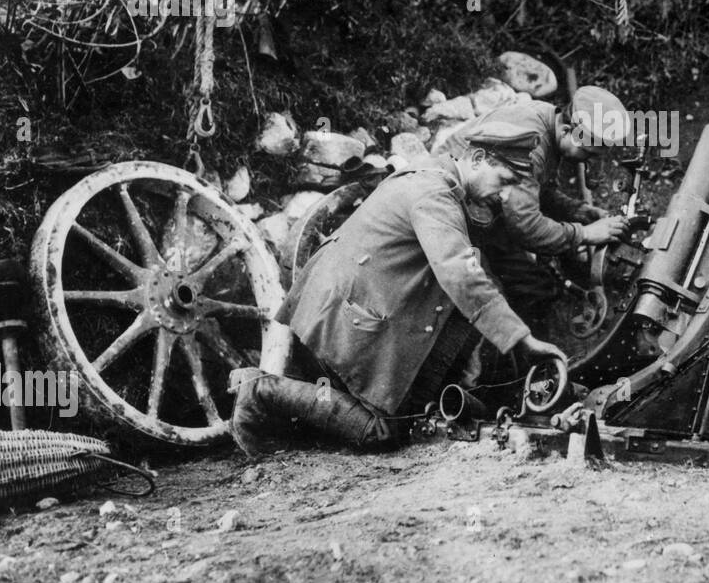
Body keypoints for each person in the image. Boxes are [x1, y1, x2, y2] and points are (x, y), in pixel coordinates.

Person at [229, 144, 567, 456]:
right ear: (478, 160)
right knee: (383, 432)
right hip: (346, 317)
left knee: (473, 304)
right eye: (503, 181)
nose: (505, 195)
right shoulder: (435, 195)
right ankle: (261, 390)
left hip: (348, 301)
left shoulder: (434, 172)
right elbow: (459, 272)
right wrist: (519, 339)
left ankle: (423, 400)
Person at [435, 86, 632, 334]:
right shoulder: (531, 144)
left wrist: (579, 211)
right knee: (535, 287)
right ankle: (521, 360)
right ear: (567, 130)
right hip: (455, 210)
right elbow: (526, 227)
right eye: (587, 153)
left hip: (484, 200)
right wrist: (585, 234)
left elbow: (539, 190)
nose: (587, 162)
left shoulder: (550, 121)